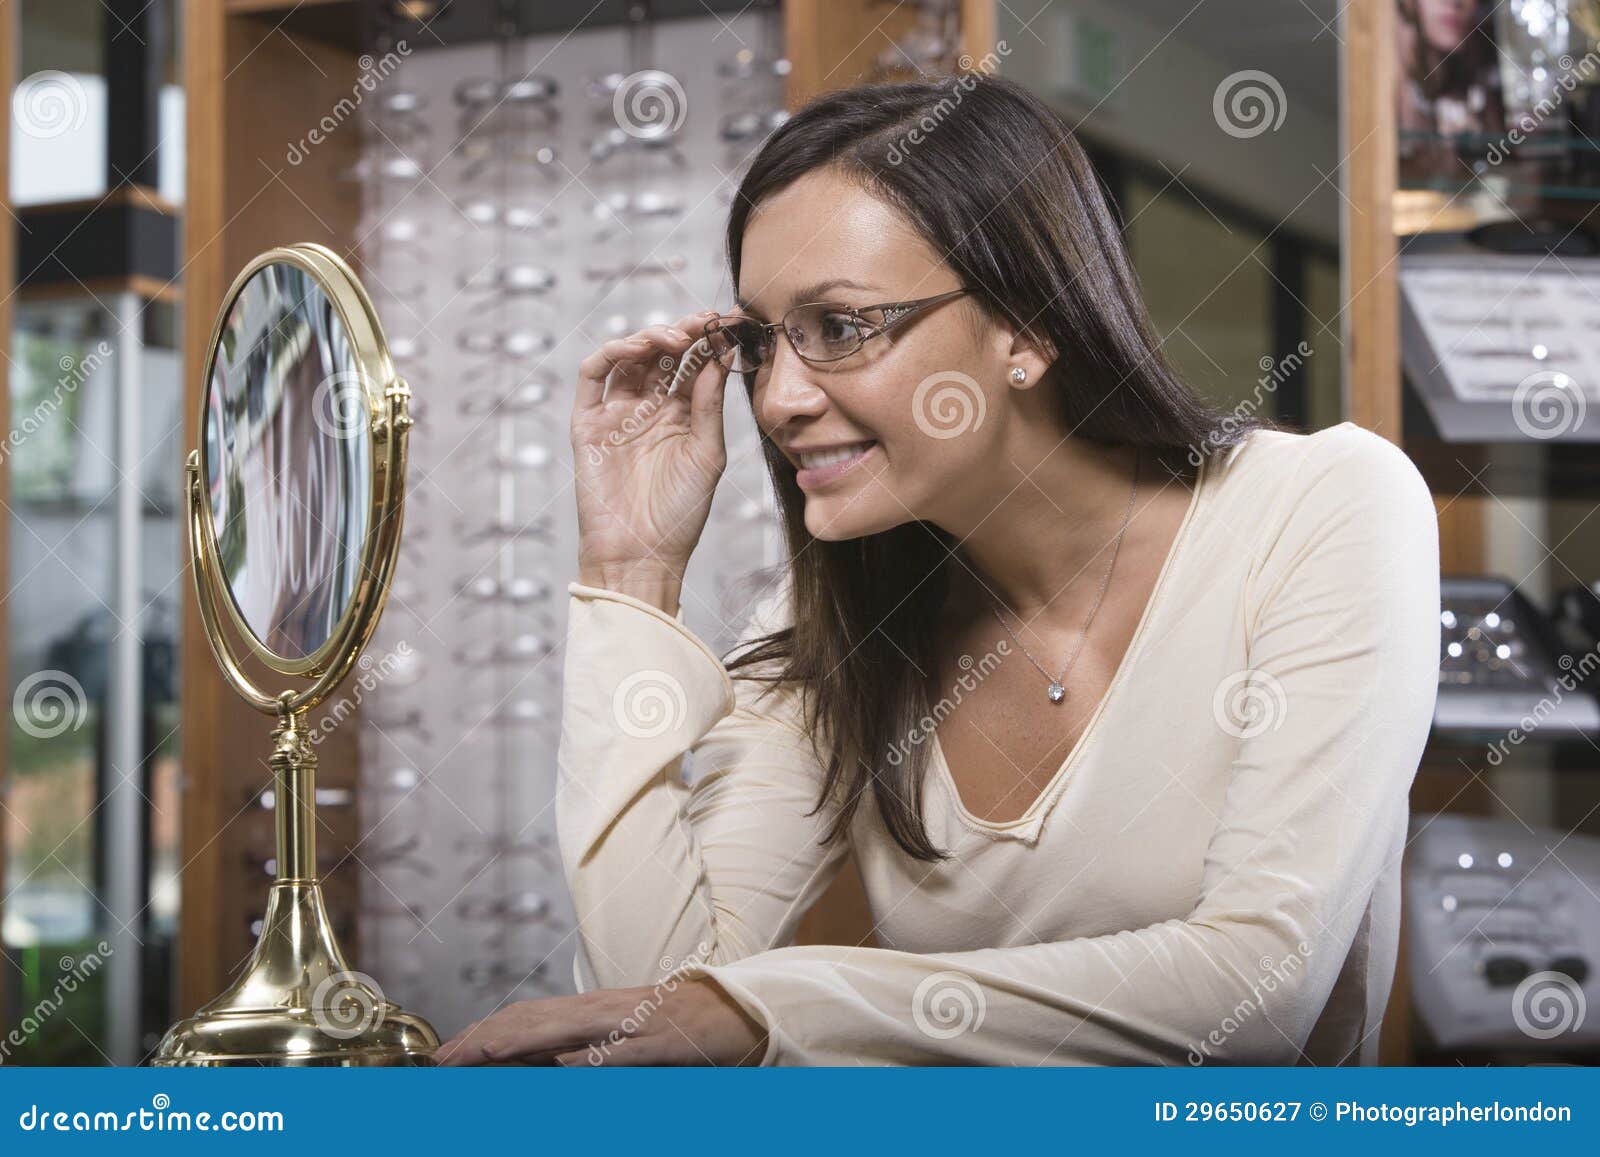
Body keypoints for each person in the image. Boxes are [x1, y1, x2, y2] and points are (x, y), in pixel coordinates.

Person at [436, 74, 1441, 1067]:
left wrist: (768, 1010)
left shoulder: (1327, 507)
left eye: (840, 327)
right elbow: (653, 1007)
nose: (780, 398)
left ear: (1027, 327)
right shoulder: (839, 613)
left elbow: (1257, 991)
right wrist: (630, 569)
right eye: (757, 342)